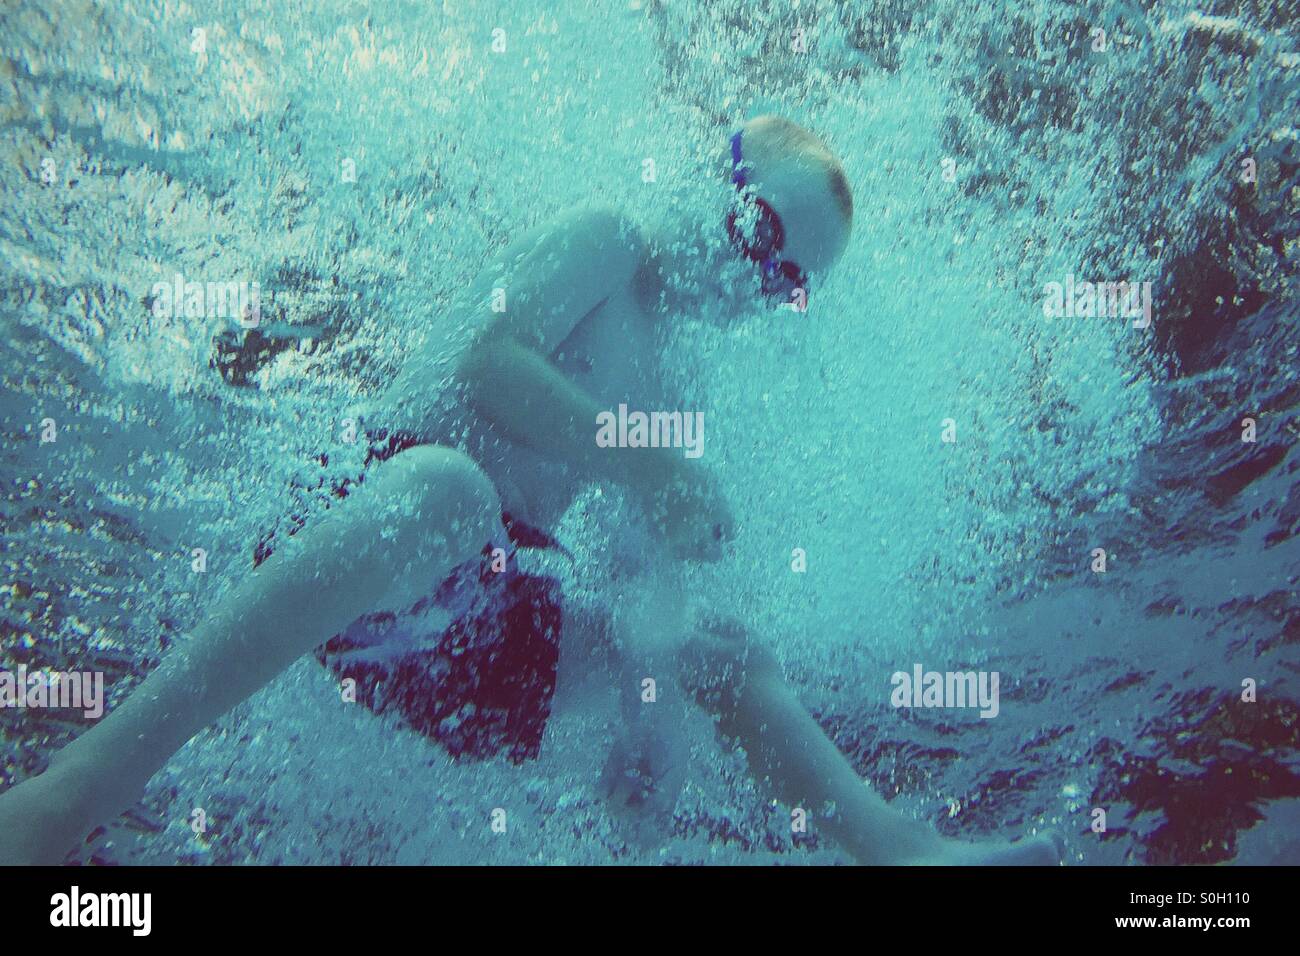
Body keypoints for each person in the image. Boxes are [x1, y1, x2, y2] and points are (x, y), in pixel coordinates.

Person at [0, 115, 1060, 865]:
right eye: (757, 234)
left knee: (721, 653)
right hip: (361, 531)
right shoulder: (607, 238)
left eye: (784, 284)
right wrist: (647, 463)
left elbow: (645, 600)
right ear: (713, 174)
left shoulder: (680, 384)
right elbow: (486, 364)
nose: (752, 279)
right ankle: (79, 786)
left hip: (459, 639)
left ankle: (896, 847)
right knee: (452, 489)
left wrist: (653, 726)